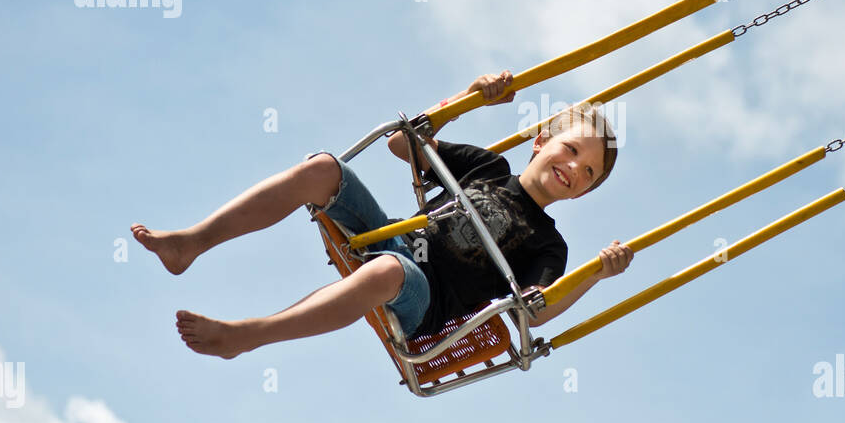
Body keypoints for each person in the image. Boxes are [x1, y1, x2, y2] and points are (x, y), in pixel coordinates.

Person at [130, 71, 633, 359]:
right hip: (394, 240)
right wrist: (467, 98)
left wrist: (596, 275)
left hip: (424, 301)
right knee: (324, 168)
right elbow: (402, 142)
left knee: (390, 271)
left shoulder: (549, 245)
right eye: (570, 150)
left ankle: (246, 335)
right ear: (541, 140)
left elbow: (537, 307)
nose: (573, 168)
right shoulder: (487, 165)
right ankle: (190, 243)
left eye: (587, 172)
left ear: (583, 194)